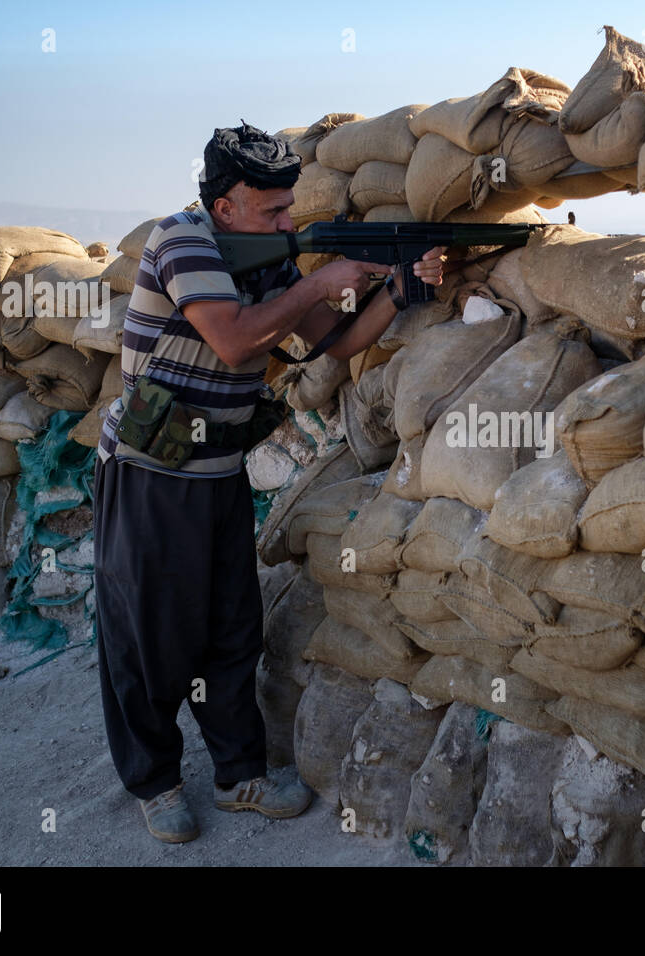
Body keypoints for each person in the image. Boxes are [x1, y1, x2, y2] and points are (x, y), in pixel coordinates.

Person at [92, 122, 446, 843]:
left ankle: (238, 774)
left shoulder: (268, 258)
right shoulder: (182, 240)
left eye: (290, 211)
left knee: (231, 630)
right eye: (274, 214)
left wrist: (401, 286)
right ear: (226, 207)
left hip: (218, 470)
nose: (289, 224)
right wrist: (320, 277)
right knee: (150, 636)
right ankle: (154, 782)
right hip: (152, 474)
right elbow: (233, 336)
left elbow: (336, 341)